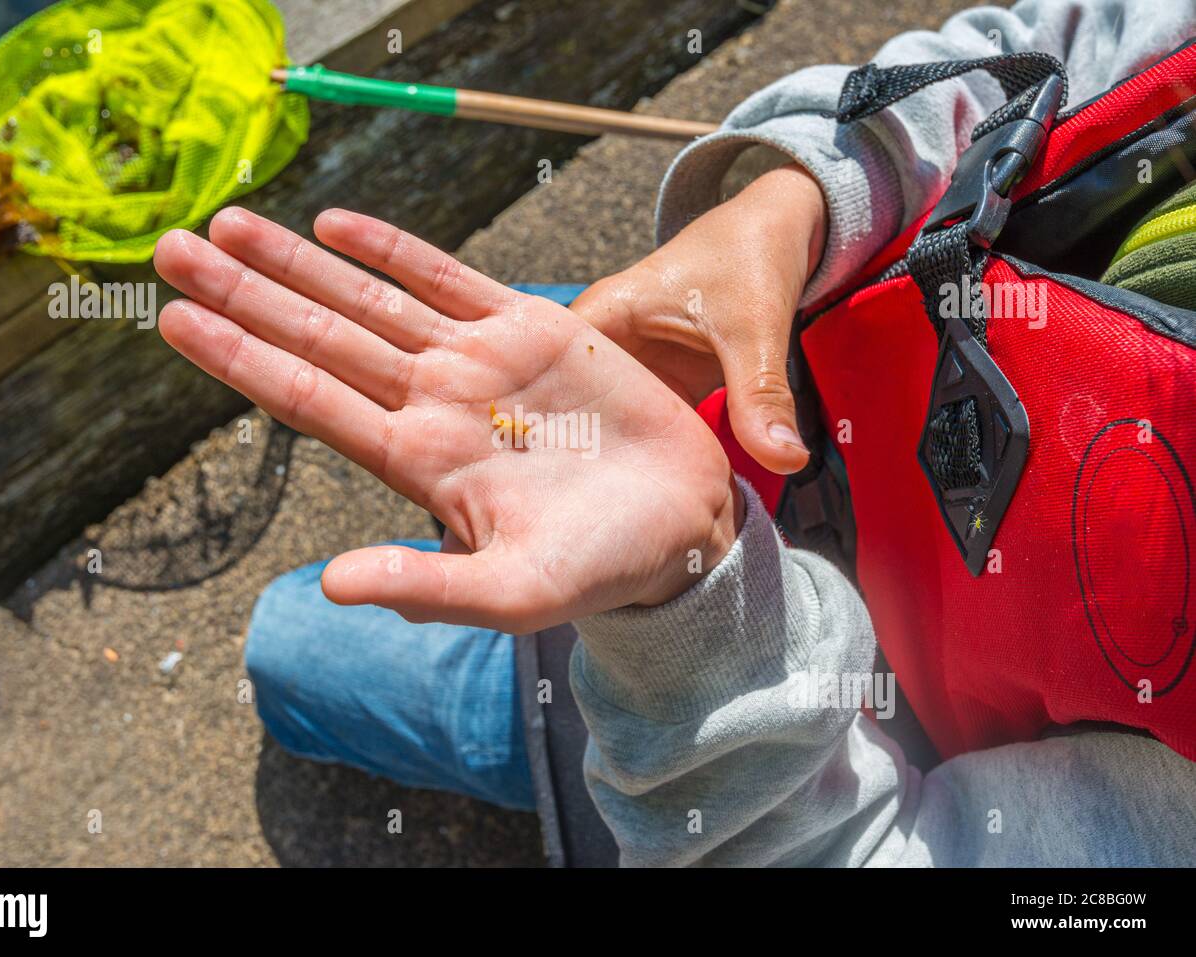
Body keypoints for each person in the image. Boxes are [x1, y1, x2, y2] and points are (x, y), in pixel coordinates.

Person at [152, 0, 1196, 866]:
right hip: (768, 360)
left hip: (734, 687)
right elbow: (1044, 46)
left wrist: (679, 611)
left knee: (284, 648)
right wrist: (791, 197)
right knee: (461, 363)